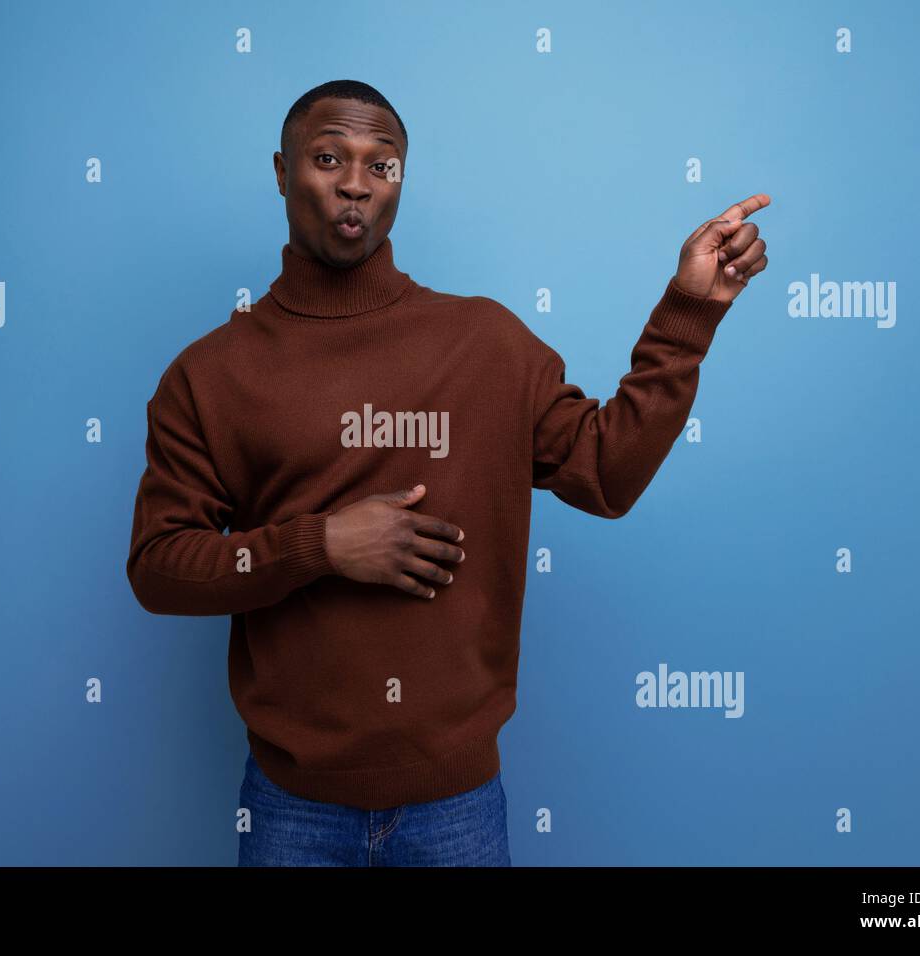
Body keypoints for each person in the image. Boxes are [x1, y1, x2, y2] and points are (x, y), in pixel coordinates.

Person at [126, 79, 770, 866]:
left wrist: (689, 314)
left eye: (382, 163)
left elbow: (606, 473)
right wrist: (320, 545)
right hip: (290, 807)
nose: (356, 182)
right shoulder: (212, 374)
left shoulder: (486, 344)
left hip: (457, 808)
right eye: (328, 158)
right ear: (282, 171)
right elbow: (159, 568)